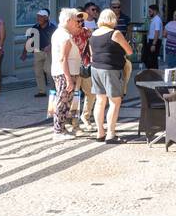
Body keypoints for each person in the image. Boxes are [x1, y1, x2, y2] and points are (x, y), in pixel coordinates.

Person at [90, 9, 133, 142]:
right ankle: (111, 133)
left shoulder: (93, 34)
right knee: (115, 101)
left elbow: (92, 54)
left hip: (96, 68)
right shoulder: (115, 33)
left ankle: (100, 132)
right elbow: (129, 51)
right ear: (113, 20)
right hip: (111, 69)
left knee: (100, 101)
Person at [49, 8, 82, 139]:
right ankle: (58, 130)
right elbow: (63, 58)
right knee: (63, 101)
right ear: (68, 21)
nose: (77, 23)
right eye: (75, 21)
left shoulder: (62, 33)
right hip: (64, 73)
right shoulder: (64, 36)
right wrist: (68, 78)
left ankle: (61, 128)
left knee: (65, 101)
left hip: (65, 71)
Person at [20, 9, 55, 96]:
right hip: (37, 51)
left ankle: (54, 89)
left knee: (49, 70)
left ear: (46, 18)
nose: (38, 18)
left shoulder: (53, 27)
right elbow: (29, 41)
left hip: (49, 52)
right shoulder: (35, 27)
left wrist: (50, 46)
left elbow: (56, 40)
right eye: (38, 16)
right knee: (37, 71)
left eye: (41, 17)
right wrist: (24, 53)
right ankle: (41, 91)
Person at [144, 3, 163, 69]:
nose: (149, 13)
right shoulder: (153, 19)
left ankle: (154, 73)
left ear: (155, 11)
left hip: (155, 41)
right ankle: (151, 73)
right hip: (152, 40)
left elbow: (157, 32)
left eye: (150, 11)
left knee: (152, 59)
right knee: (149, 58)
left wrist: (153, 44)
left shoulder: (157, 20)